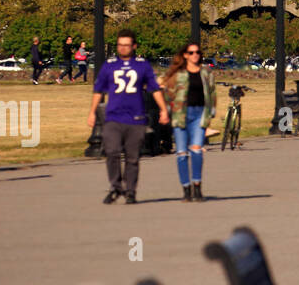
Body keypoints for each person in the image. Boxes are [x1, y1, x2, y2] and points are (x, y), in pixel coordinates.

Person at [87, 28, 168, 204]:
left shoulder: (142, 65)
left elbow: (154, 89)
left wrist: (163, 109)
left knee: (132, 157)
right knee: (112, 152)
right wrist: (92, 112)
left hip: (136, 118)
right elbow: (98, 90)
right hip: (114, 117)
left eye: (126, 45)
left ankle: (130, 191)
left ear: (134, 46)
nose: (123, 48)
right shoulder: (109, 65)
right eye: (120, 45)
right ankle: (116, 187)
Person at [162, 42, 216, 201]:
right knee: (181, 153)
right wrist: (168, 109)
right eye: (191, 52)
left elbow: (212, 93)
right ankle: (186, 188)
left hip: (199, 114)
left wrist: (211, 111)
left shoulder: (206, 73)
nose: (195, 55)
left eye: (197, 52)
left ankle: (197, 186)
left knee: (197, 149)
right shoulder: (177, 74)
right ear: (185, 55)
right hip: (181, 114)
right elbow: (167, 92)